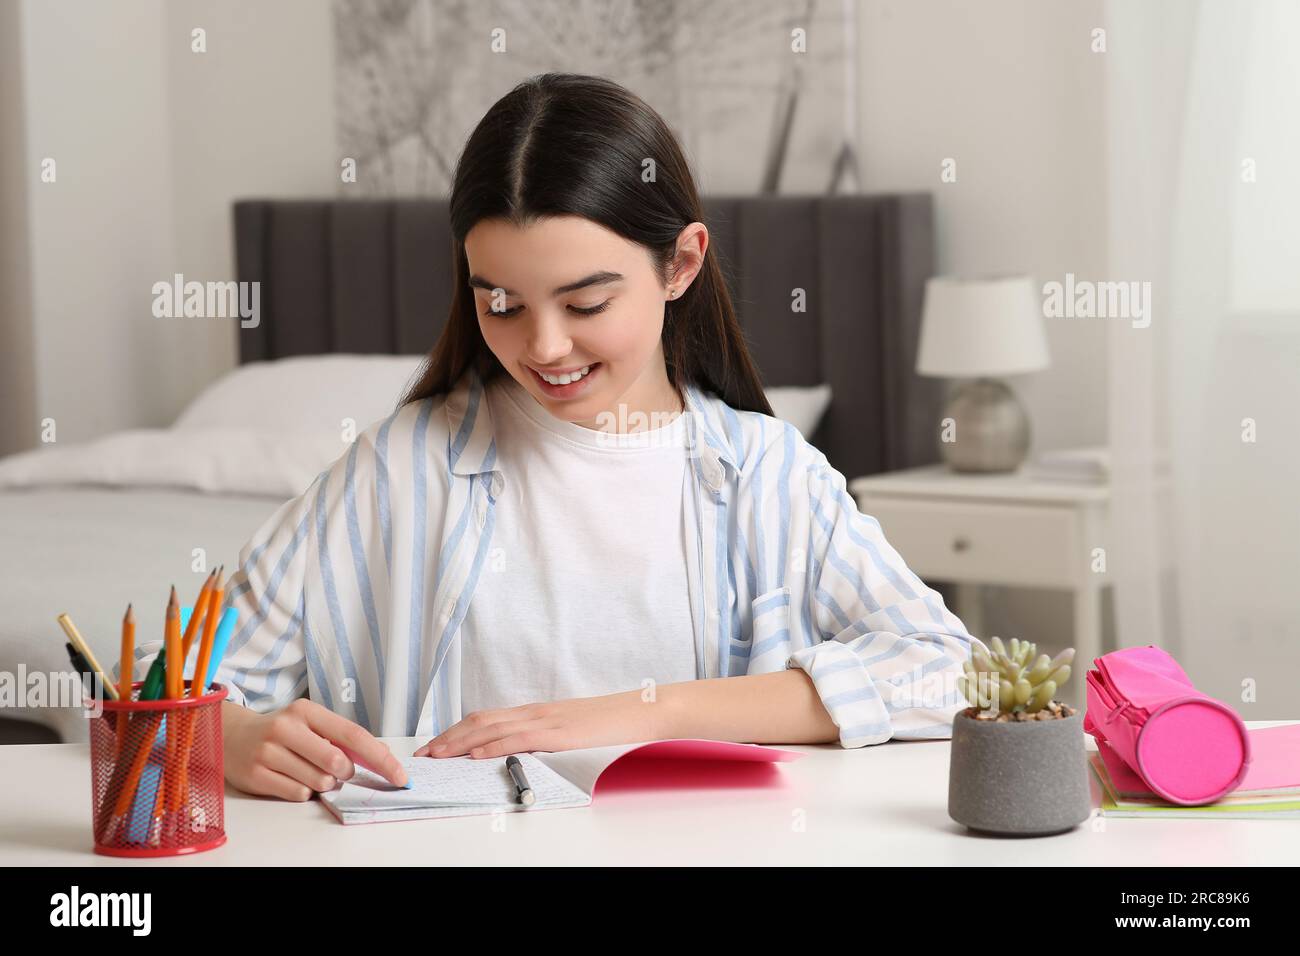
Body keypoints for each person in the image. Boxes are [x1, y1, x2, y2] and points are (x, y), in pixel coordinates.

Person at [131, 73, 984, 802]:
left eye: (584, 305)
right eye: (500, 302)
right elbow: (171, 690)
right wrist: (230, 738)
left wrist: (649, 711)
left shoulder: (767, 475)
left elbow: (954, 674)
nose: (542, 347)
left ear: (680, 265)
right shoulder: (401, 467)